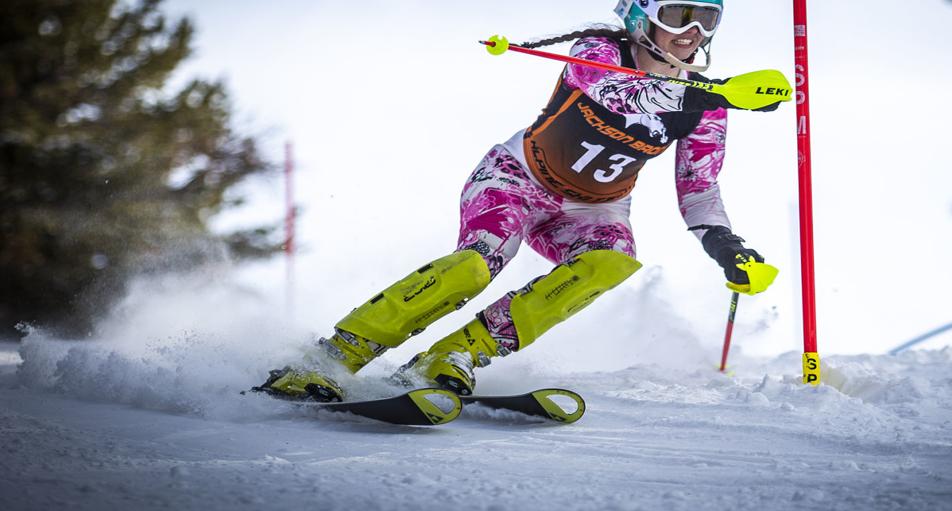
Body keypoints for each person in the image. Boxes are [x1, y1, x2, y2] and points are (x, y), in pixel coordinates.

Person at [259, 0, 788, 402]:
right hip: (516, 178)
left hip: (594, 210)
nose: (691, 34)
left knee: (612, 263)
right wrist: (714, 91)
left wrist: (724, 244)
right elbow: (618, 94)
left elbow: (699, 185)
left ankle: (455, 355)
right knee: (474, 266)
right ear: (640, 16)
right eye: (679, 16)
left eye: (707, 21)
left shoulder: (707, 107)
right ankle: (334, 356)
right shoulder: (599, 53)